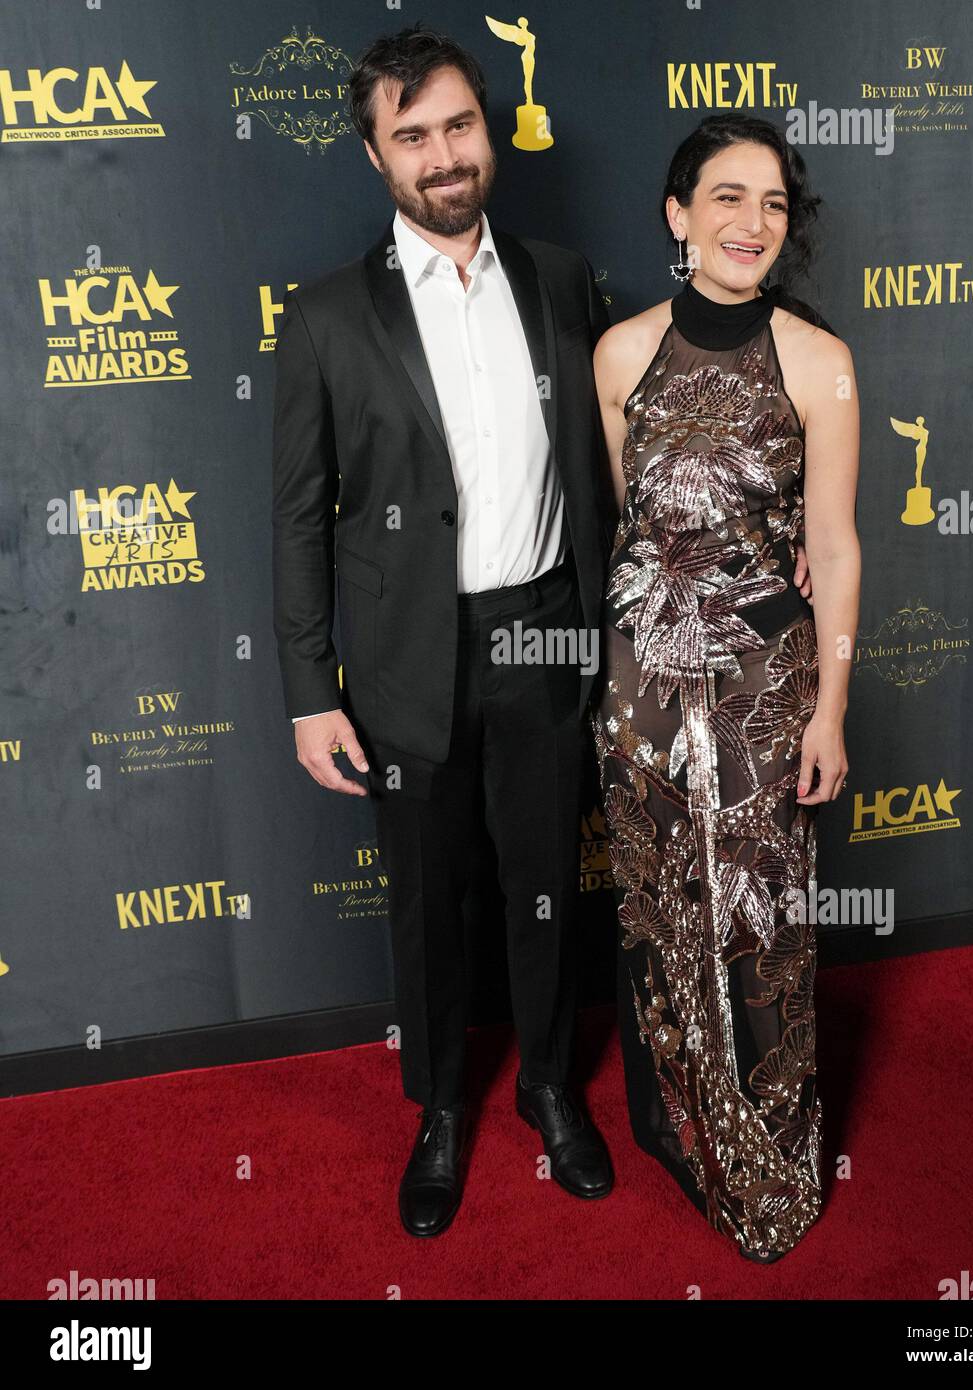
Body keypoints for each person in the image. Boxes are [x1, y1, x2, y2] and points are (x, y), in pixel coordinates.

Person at [270, 25, 620, 1238]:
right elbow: (299, 519)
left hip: (544, 635)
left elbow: (622, 452)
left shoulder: (564, 279)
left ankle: (545, 1087)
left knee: (545, 885)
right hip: (407, 657)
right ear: (376, 157)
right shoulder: (322, 318)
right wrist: (311, 690)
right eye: (410, 135)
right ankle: (438, 1111)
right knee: (426, 901)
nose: (441, 153)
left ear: (490, 128)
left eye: (457, 125)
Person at [590, 113, 859, 1263]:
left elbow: (837, 546)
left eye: (772, 205)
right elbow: (632, 525)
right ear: (677, 214)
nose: (750, 223)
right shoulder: (617, 354)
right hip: (643, 682)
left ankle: (772, 1153)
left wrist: (831, 708)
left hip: (765, 683)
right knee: (658, 912)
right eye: (725, 197)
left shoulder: (819, 360)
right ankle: (679, 1119)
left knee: (765, 923)